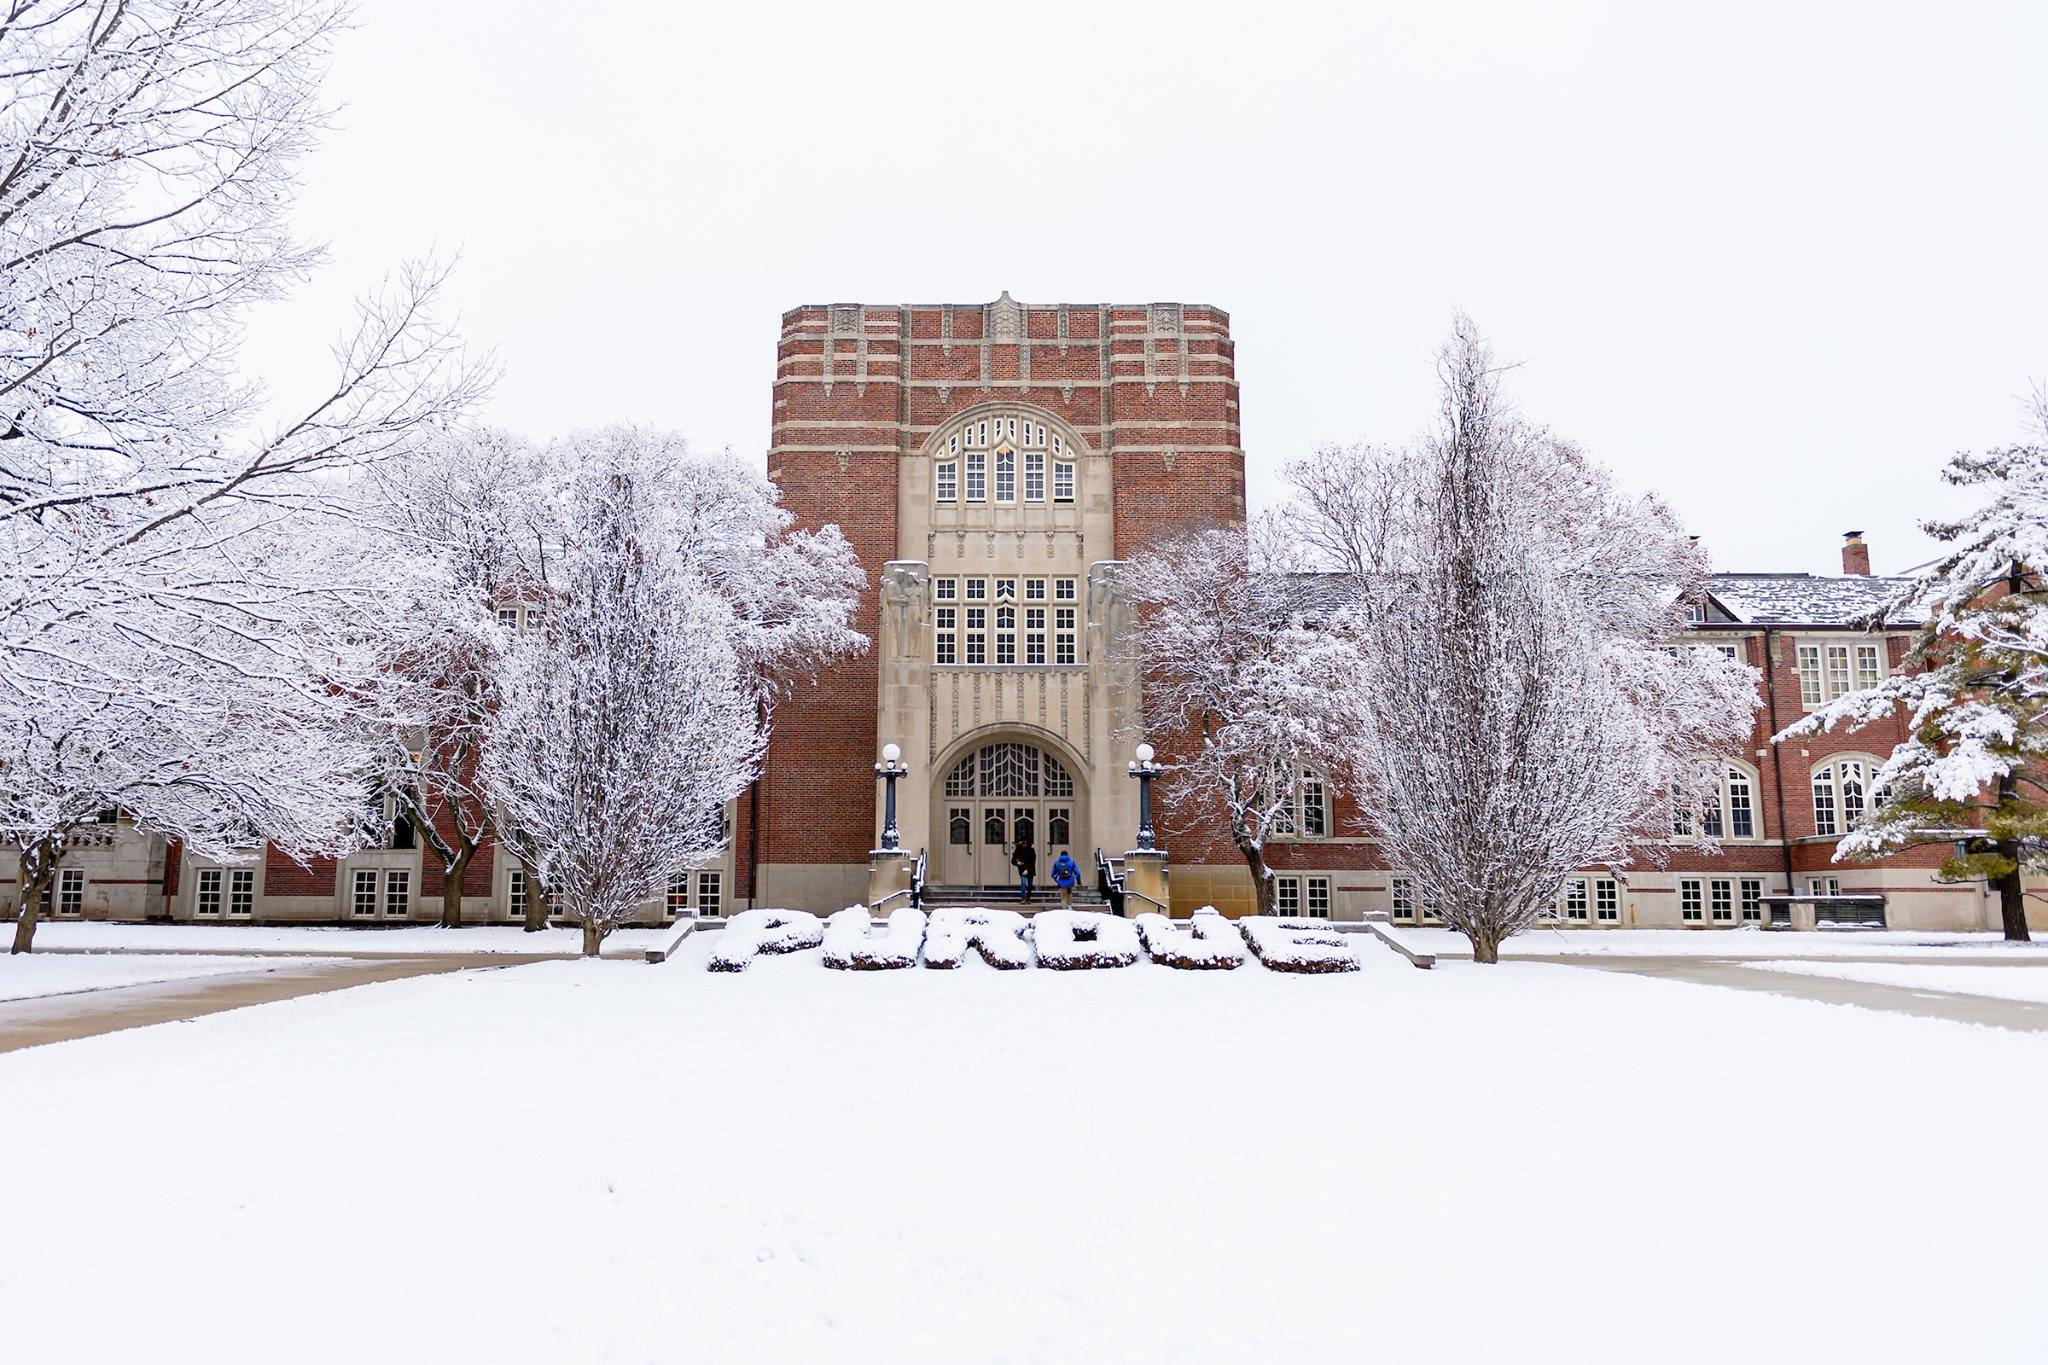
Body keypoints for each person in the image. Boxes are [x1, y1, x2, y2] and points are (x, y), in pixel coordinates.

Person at [1010, 836, 1038, 903]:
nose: (1024, 844)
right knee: (1023, 884)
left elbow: (1033, 861)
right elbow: (1013, 860)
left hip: (1030, 869)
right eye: (1023, 843)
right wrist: (1018, 863)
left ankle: (1028, 898)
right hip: (1022, 870)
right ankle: (1023, 898)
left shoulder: (1031, 850)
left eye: (1026, 843)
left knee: (1030, 885)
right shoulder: (1018, 850)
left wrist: (1027, 870)